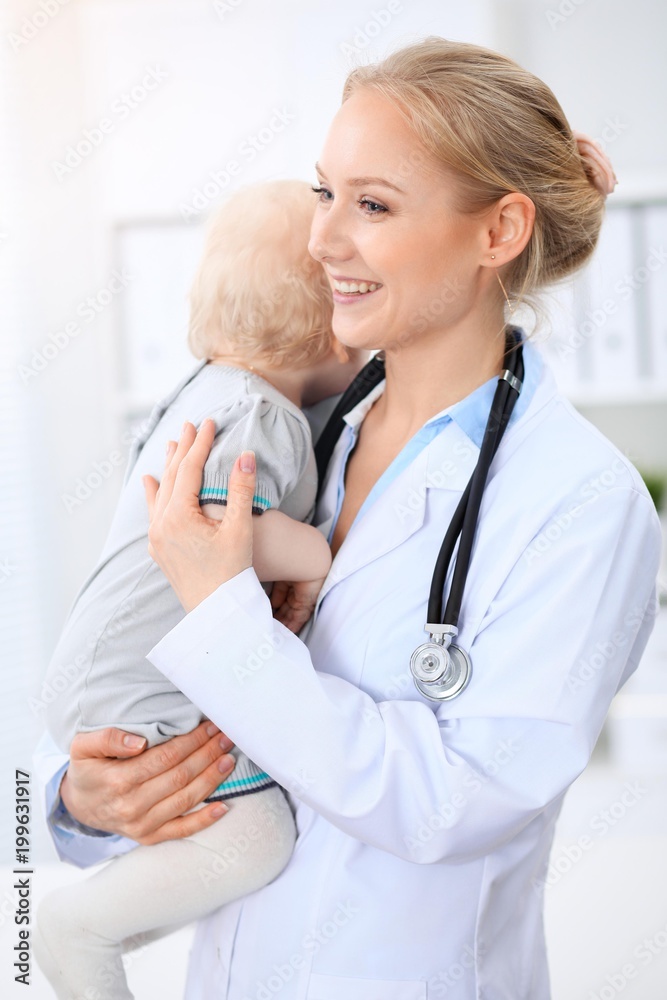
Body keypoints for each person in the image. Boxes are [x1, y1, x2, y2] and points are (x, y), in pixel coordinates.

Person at [34, 38, 662, 1000]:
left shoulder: (580, 502)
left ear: (498, 233)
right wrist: (83, 800)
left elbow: (452, 805)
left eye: (372, 205)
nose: (322, 239)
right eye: (324, 192)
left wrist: (225, 618)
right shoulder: (280, 426)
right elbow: (118, 636)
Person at [33, 179, 366, 1000]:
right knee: (250, 838)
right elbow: (218, 533)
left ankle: (87, 930)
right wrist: (315, 559)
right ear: (327, 323)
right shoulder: (263, 417)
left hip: (113, 675)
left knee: (225, 844)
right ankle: (74, 929)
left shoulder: (211, 390)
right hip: (140, 684)